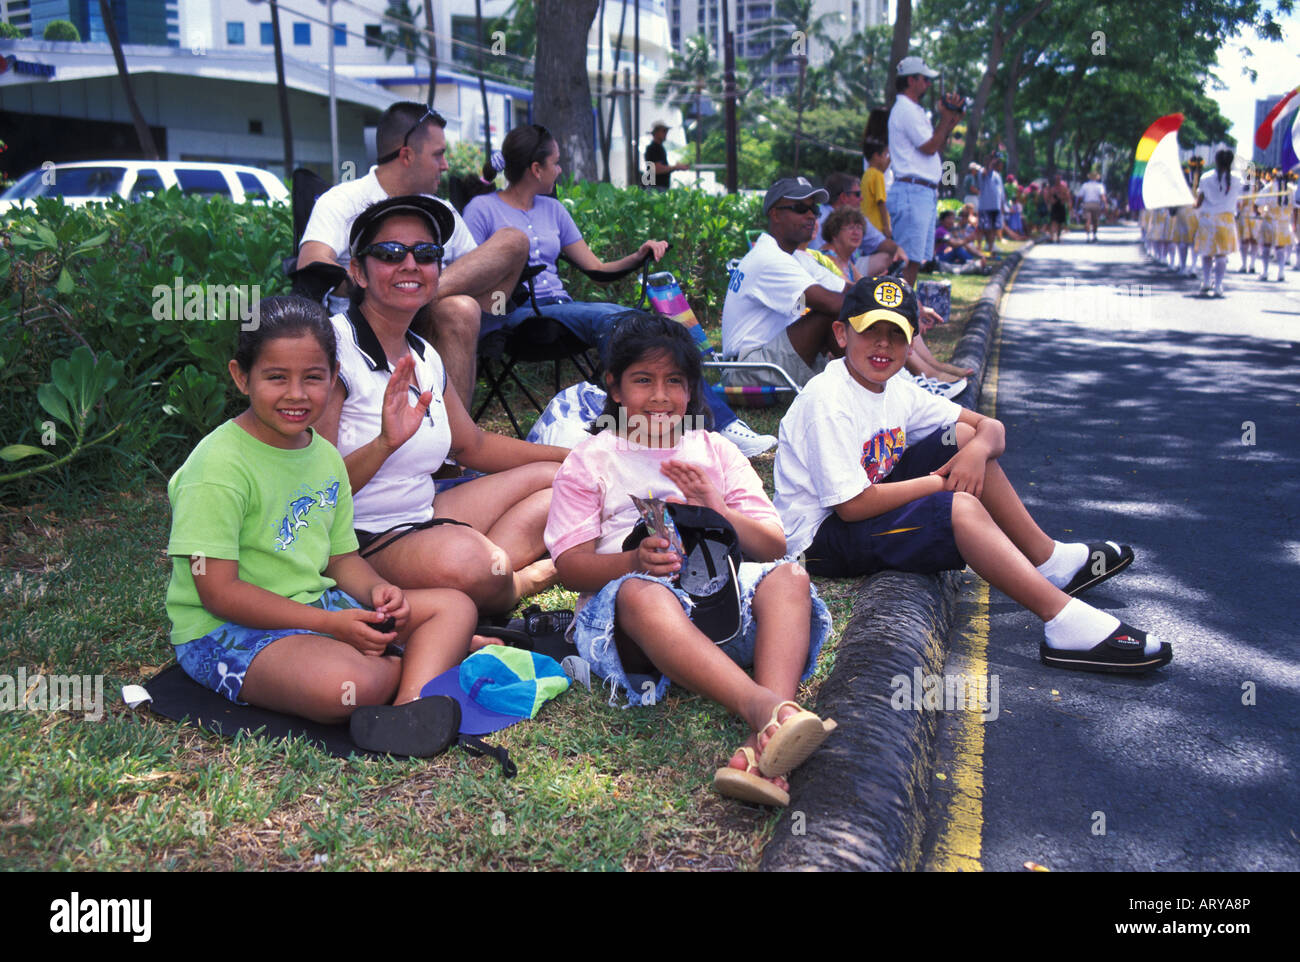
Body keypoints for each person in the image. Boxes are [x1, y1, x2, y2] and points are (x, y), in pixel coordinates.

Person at [774, 276, 1172, 675]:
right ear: (842, 334)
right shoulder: (827, 401)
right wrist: (942, 482)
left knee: (962, 437)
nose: (883, 345)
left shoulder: (897, 389)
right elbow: (851, 506)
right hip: (819, 538)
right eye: (870, 331)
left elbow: (990, 429)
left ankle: (1047, 559)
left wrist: (976, 451)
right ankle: (1061, 621)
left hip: (866, 499)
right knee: (958, 507)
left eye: (895, 335)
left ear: (911, 344)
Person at [165, 294, 483, 755]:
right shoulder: (216, 467)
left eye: (313, 378)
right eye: (276, 377)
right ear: (241, 377)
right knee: (342, 687)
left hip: (320, 606)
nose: (297, 394)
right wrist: (331, 625)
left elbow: (340, 558)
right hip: (225, 629)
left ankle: (411, 706)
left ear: (334, 378)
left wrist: (377, 592)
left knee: (453, 607)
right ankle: (421, 666)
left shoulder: (324, 455)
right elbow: (218, 593)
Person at [544, 311, 834, 807]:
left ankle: (759, 743)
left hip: (719, 611)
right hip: (635, 626)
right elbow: (569, 566)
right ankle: (763, 705)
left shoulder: (714, 450)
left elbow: (772, 544)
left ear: (691, 389)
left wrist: (716, 509)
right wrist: (632, 561)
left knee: (789, 577)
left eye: (674, 381)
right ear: (614, 388)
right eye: (642, 380)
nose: (659, 396)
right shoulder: (591, 459)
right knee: (641, 594)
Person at [314, 195, 568, 617]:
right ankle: (517, 579)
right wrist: (383, 443)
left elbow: (473, 447)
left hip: (424, 510)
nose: (411, 264)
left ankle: (477, 570)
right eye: (391, 253)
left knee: (563, 480)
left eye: (427, 254)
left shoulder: (424, 353)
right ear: (357, 271)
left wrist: (577, 455)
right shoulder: (332, 350)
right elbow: (313, 488)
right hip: (360, 539)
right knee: (479, 563)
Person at [465, 124, 775, 457]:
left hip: (562, 311)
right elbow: (470, 276)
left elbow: (596, 269)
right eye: (555, 163)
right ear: (536, 168)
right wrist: (500, 305)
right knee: (625, 322)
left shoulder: (553, 210)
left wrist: (638, 254)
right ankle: (710, 426)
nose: (559, 170)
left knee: (649, 328)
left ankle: (703, 423)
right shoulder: (482, 210)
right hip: (522, 315)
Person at [297, 102, 529, 409]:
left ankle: (449, 447)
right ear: (407, 155)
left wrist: (420, 292)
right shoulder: (343, 201)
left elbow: (480, 273)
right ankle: (453, 444)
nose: (445, 165)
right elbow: (312, 264)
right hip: (371, 323)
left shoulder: (441, 211)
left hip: (432, 320)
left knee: (512, 240)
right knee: (460, 308)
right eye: (438, 154)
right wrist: (380, 290)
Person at [721, 176, 845, 389]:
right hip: (746, 369)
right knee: (830, 313)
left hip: (765, 359)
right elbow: (834, 304)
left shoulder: (794, 257)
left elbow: (848, 289)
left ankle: (889, 380)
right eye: (800, 208)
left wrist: (890, 292)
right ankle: (880, 383)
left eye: (813, 210)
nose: (810, 216)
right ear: (775, 214)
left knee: (857, 307)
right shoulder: (769, 259)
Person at [886, 55, 964, 288]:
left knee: (914, 259)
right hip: (913, 190)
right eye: (925, 79)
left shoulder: (913, 110)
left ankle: (903, 308)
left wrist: (949, 122)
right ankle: (895, 310)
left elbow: (937, 143)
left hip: (921, 191)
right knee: (906, 259)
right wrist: (946, 118)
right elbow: (930, 147)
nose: (928, 84)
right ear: (911, 80)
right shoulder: (906, 110)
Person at [814, 171, 903, 273]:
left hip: (847, 265)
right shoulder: (820, 219)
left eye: (858, 227)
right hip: (824, 267)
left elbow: (881, 242)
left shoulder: (857, 217)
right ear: (843, 197)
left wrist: (900, 251)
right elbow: (819, 258)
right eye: (857, 194)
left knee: (886, 257)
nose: (861, 198)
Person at [1194, 148, 1242, 298]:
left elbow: (1199, 202)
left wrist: (1193, 203)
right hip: (1226, 220)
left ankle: (1207, 281)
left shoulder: (1205, 177)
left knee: (1207, 253)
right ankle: (1219, 285)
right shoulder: (1237, 178)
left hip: (1207, 219)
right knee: (1222, 255)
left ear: (1216, 160)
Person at [976, 153, 1009, 254]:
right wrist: (990, 160)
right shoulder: (983, 171)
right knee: (982, 228)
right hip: (985, 206)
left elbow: (1001, 192)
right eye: (997, 163)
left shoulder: (997, 175)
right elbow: (986, 170)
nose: (1000, 165)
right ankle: (979, 248)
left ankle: (991, 248)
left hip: (996, 206)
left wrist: (1003, 205)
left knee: (994, 228)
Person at [860, 138, 892, 239]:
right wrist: (886, 227)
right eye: (884, 155)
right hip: (878, 228)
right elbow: (881, 202)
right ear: (876, 156)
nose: (886, 159)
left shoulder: (866, 174)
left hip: (868, 226)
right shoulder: (878, 175)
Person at [644, 120, 689, 190]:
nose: (666, 133)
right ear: (656, 133)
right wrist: (675, 167)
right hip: (655, 188)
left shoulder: (660, 148)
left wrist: (676, 167)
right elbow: (656, 169)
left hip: (659, 187)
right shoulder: (652, 148)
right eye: (664, 131)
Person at [1077, 170, 1107, 243]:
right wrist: (1105, 204)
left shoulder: (1085, 185)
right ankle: (1094, 235)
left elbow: (1080, 196)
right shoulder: (1100, 186)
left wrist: (1077, 204)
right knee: (1095, 221)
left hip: (1087, 204)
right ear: (1097, 178)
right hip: (1096, 204)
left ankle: (1087, 236)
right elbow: (1102, 196)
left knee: (1088, 220)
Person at [1047, 176, 1071, 243]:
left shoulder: (1064, 188)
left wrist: (1063, 198)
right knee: (1053, 222)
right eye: (1056, 179)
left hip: (1061, 206)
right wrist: (1051, 201)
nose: (1057, 181)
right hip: (1054, 206)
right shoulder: (1052, 188)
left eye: (1058, 179)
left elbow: (1068, 197)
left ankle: (1058, 237)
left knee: (1060, 223)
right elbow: (1048, 197)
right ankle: (1052, 237)